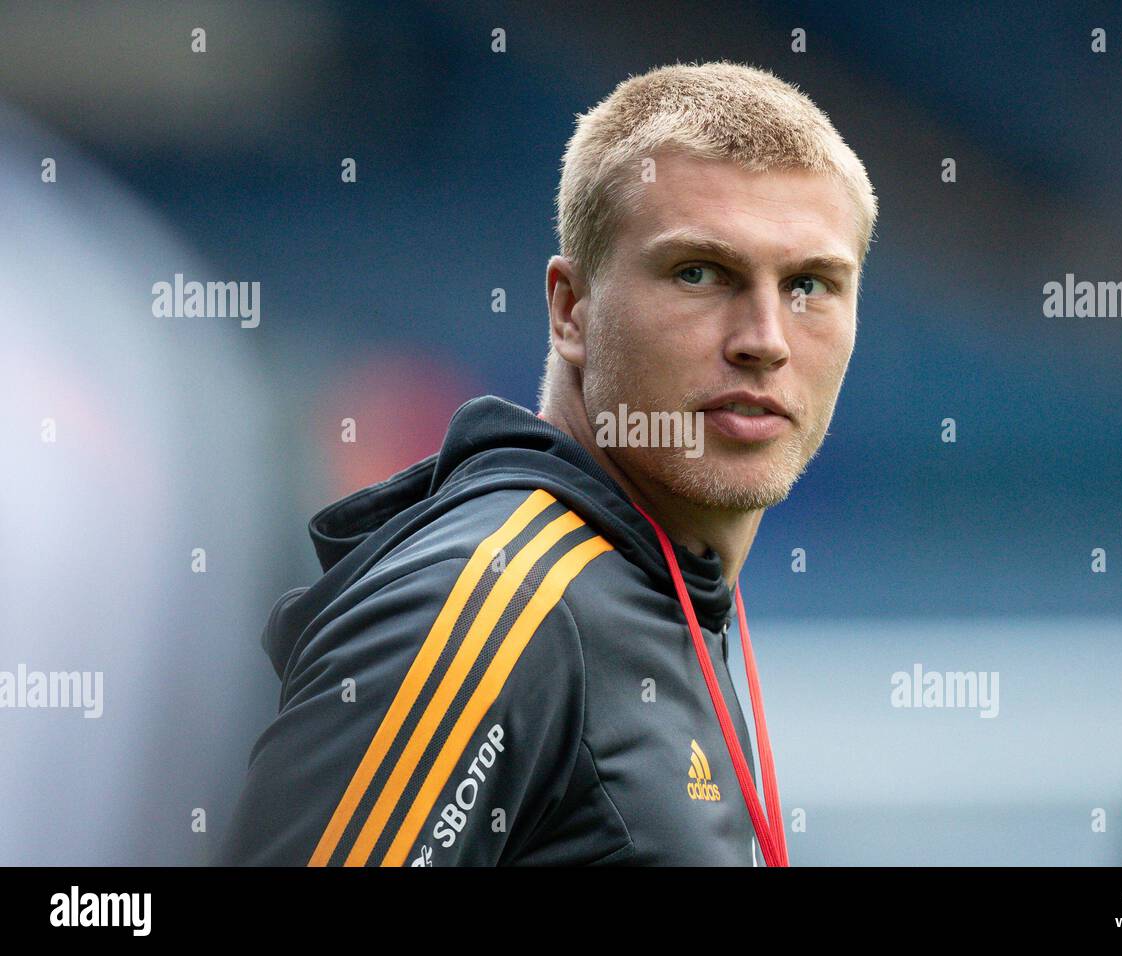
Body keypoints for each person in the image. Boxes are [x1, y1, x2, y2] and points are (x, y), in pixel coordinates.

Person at [217, 59, 878, 867]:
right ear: (572, 310)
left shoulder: (657, 587)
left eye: (811, 284)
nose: (765, 339)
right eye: (700, 273)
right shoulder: (495, 603)